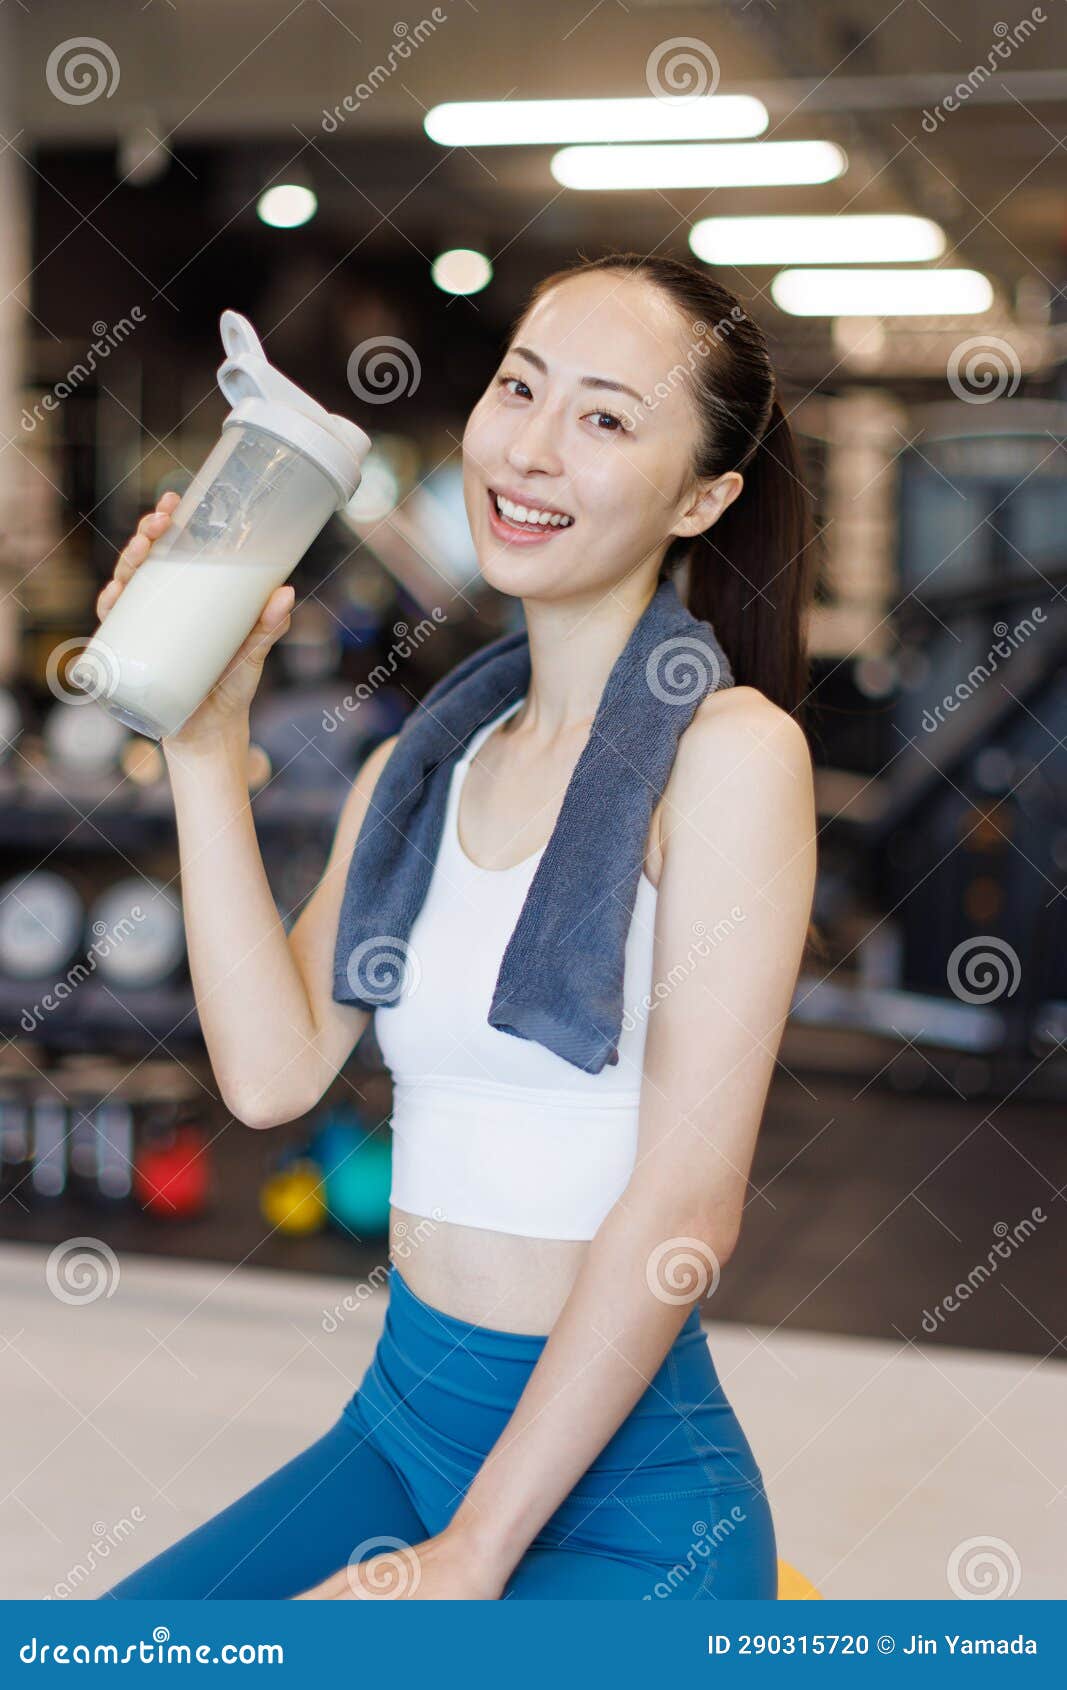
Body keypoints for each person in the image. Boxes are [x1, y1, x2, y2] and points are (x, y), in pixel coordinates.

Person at [101, 252, 818, 1601]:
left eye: (606, 418)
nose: (531, 449)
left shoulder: (730, 755)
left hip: (623, 1502)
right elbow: (272, 1071)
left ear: (704, 494)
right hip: (398, 1431)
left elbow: (690, 1204)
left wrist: (476, 1548)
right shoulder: (422, 766)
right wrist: (205, 748)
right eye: (520, 388)